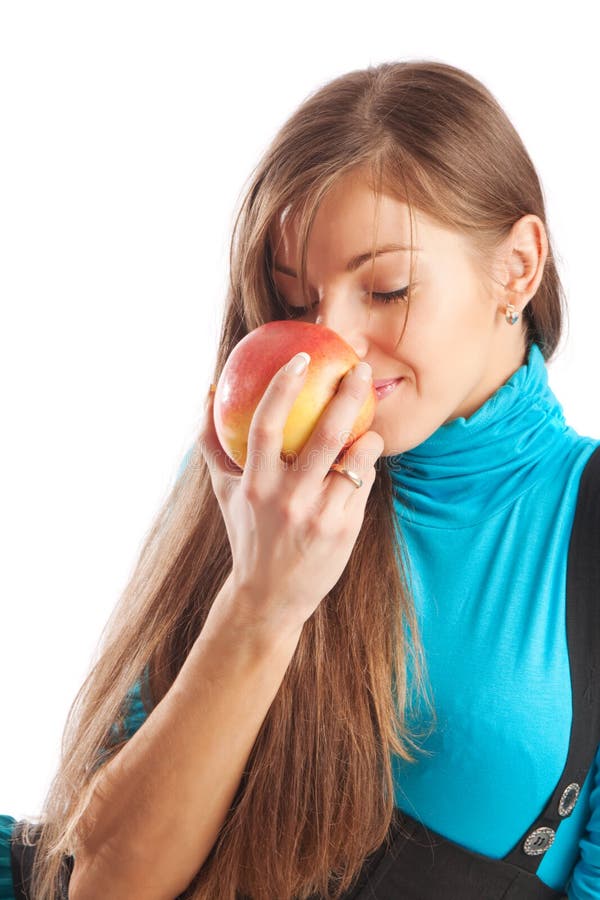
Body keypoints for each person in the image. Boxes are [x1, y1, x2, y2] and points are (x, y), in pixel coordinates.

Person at [1, 59, 599, 900]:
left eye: (385, 288)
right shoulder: (257, 484)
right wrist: (263, 598)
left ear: (518, 267)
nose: (335, 341)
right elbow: (102, 883)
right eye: (297, 302)